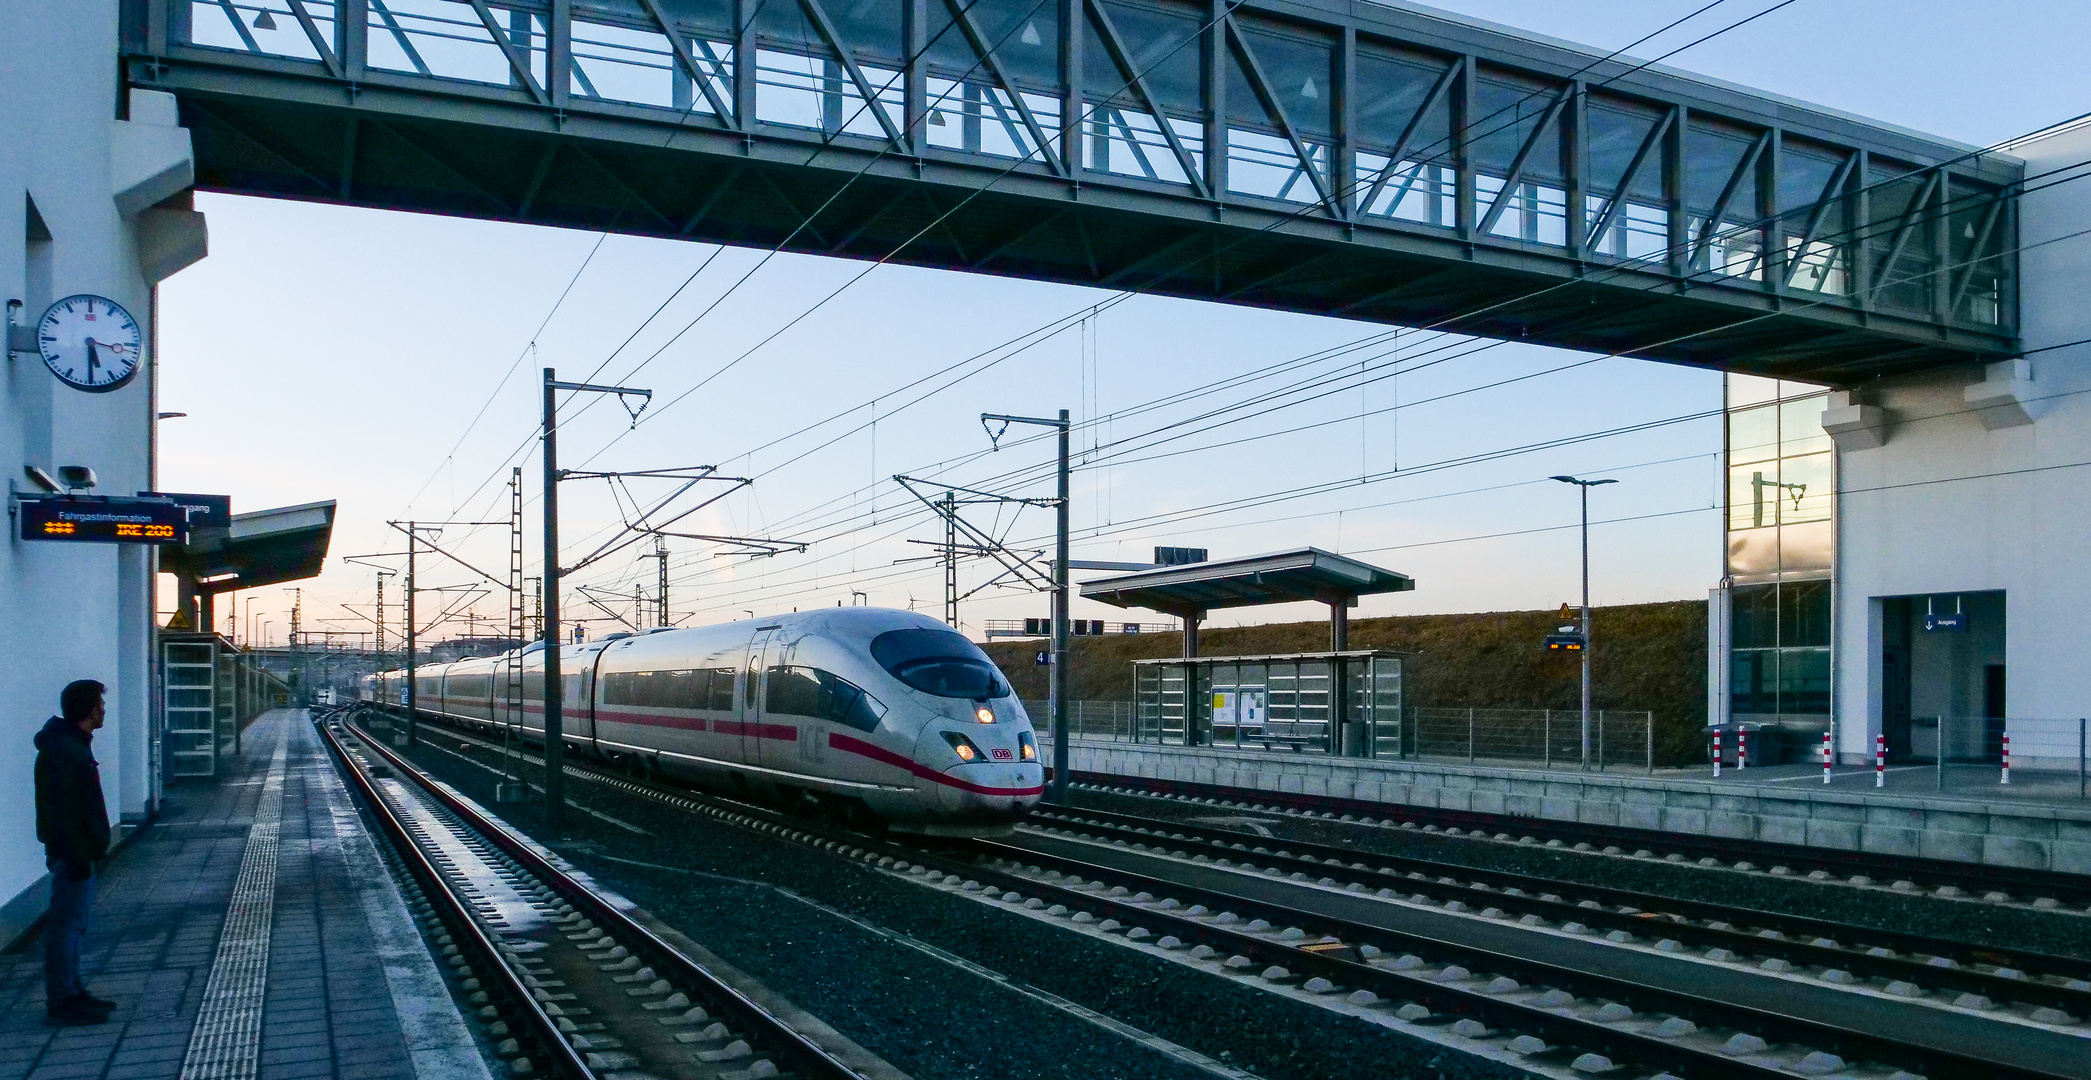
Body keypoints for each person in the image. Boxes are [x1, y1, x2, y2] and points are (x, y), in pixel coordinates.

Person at [35, 680, 115, 1026]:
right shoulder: (66, 752)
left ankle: (73, 990)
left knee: (74, 926)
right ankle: (62, 1000)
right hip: (72, 856)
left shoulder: (70, 746)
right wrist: (79, 855)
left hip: (77, 853)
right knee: (66, 929)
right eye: (100, 704)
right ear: (90, 709)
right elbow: (63, 813)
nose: (104, 710)